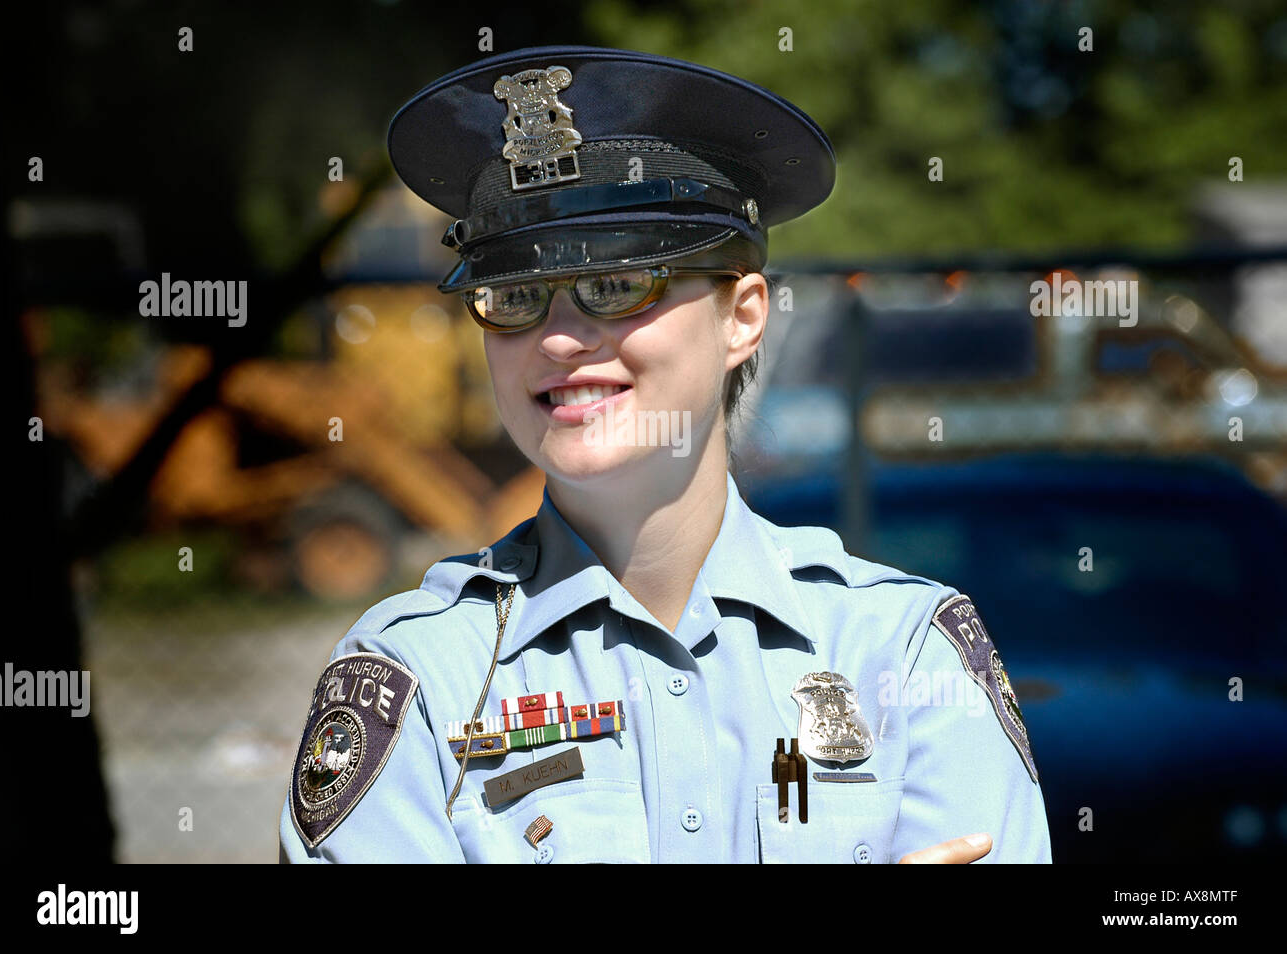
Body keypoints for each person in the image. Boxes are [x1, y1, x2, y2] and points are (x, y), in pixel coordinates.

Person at [279, 44, 1052, 863]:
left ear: (743, 315)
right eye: (514, 296)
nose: (562, 338)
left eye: (618, 284)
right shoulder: (416, 681)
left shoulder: (903, 650)